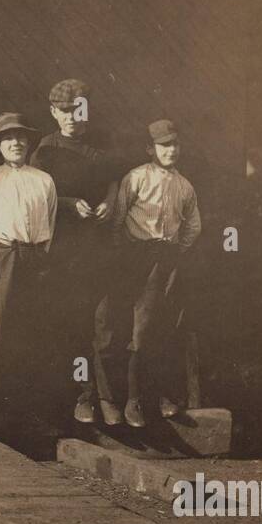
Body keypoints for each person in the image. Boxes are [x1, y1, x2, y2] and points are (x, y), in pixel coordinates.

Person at [94, 119, 201, 428]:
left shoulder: (184, 185)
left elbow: (194, 225)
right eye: (164, 145)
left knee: (155, 325)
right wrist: (123, 249)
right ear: (150, 148)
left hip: (165, 258)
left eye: (175, 145)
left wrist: (175, 250)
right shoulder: (137, 177)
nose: (171, 150)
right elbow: (118, 216)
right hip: (133, 255)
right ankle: (126, 399)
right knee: (123, 325)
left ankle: (150, 397)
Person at [30, 78, 123, 424]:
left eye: (78, 110)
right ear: (54, 113)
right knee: (71, 324)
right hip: (64, 252)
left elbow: (114, 179)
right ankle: (81, 398)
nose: (72, 117)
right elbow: (40, 196)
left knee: (104, 325)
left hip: (98, 248)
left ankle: (107, 398)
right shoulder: (45, 149)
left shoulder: (102, 145)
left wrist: (111, 202)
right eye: (64, 111)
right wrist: (70, 205)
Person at [0, 113, 57, 420]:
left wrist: (40, 257)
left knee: (32, 329)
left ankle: (28, 413)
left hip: (36, 259)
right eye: (8, 138)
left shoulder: (44, 180)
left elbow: (51, 223)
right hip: (2, 258)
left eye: (20, 137)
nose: (16, 143)